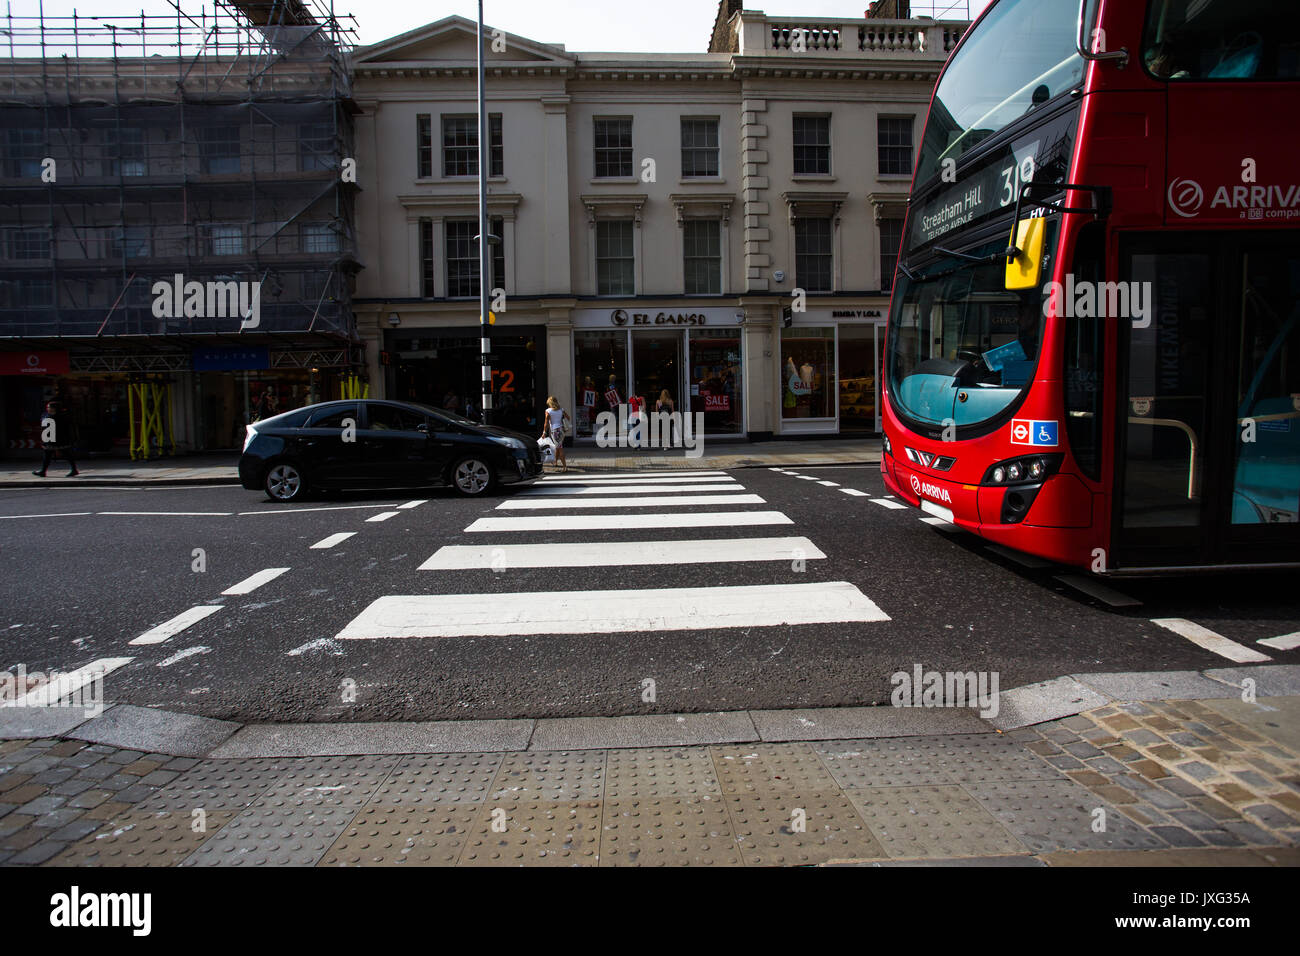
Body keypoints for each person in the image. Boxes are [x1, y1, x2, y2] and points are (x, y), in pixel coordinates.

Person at [32, 400, 78, 478]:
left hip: (60, 438)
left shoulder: (63, 416)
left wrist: (70, 438)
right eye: (47, 407)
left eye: (49, 407)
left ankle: (74, 469)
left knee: (67, 454)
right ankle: (43, 471)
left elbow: (67, 428)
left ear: (54, 408)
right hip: (49, 438)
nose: (48, 408)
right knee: (47, 455)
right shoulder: (46, 415)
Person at [540, 395, 570, 471]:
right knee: (557, 446)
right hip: (561, 430)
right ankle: (555, 462)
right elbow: (568, 418)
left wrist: (544, 432)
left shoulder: (548, 411)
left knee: (560, 448)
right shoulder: (561, 410)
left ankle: (565, 467)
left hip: (555, 431)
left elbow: (546, 423)